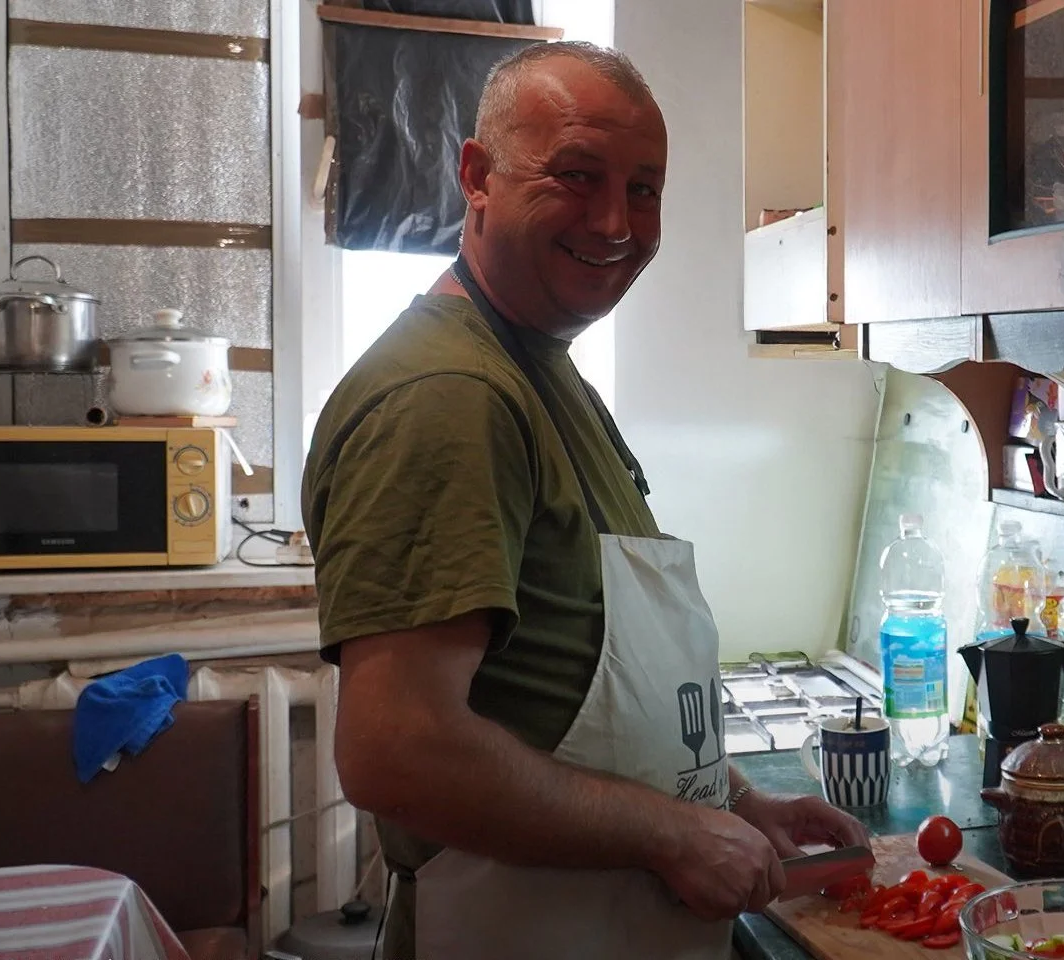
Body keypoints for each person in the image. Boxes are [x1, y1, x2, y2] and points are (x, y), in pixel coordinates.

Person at [302, 42, 868, 960]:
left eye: (645, 189)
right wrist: (672, 834)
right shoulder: (450, 394)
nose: (617, 221)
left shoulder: (539, 368)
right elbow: (397, 751)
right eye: (577, 176)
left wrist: (727, 799)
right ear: (476, 176)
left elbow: (565, 693)